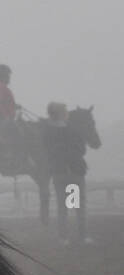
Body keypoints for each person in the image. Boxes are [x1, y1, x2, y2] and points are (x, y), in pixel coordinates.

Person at [43, 102, 90, 244]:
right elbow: (82, 149)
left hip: (59, 173)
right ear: (62, 114)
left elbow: (48, 152)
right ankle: (81, 236)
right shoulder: (72, 130)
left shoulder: (48, 133)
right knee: (77, 205)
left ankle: (63, 237)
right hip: (74, 172)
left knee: (62, 206)